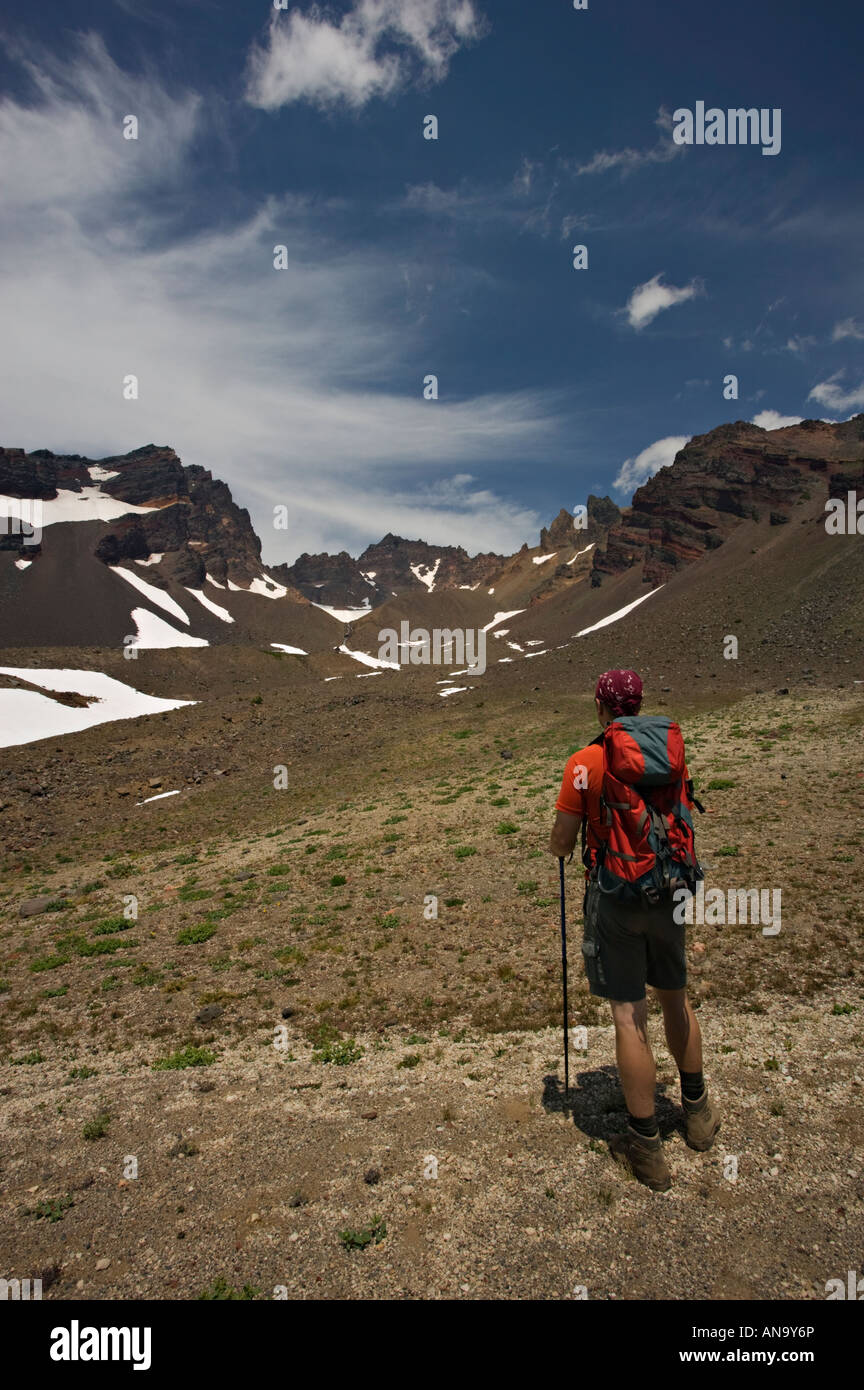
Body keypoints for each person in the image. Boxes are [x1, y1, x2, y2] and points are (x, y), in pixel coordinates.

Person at [548, 668, 719, 1191]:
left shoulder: (585, 763)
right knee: (676, 998)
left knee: (629, 1013)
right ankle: (697, 1114)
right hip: (672, 891)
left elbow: (561, 841)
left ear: (601, 709)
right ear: (640, 705)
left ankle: (645, 1144)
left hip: (618, 898)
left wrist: (563, 844)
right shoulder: (670, 750)